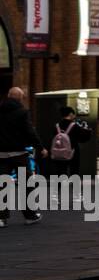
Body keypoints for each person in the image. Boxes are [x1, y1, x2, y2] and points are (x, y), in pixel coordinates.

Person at [0, 87, 43, 227]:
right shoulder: (23, 112)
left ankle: (1, 218)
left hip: (1, 155)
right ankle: (30, 216)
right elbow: (30, 132)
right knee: (26, 185)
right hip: (19, 154)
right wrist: (40, 147)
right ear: (20, 98)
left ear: (8, 96)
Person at [47, 106, 92, 203]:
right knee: (74, 173)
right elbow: (83, 138)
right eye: (73, 114)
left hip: (58, 153)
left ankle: (54, 197)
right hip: (73, 153)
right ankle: (77, 196)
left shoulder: (56, 126)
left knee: (59, 174)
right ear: (71, 114)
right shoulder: (74, 126)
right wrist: (87, 129)